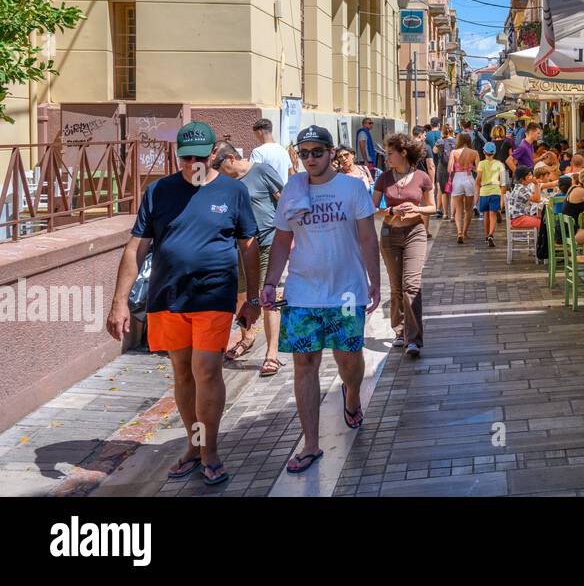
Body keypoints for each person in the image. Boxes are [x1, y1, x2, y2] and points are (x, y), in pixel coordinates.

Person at [106, 122, 259, 487]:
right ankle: (194, 445)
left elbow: (248, 245)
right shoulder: (158, 191)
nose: (193, 164)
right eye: (186, 157)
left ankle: (209, 451)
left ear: (213, 154)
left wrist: (253, 298)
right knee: (182, 373)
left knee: (206, 370)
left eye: (199, 157)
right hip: (168, 297)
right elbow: (136, 247)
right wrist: (119, 303)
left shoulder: (233, 191)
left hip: (213, 295)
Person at [263, 125, 381, 474]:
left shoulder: (351, 188)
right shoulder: (292, 191)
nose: (311, 159)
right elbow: (282, 241)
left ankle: (352, 394)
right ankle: (311, 443)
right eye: (304, 153)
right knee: (305, 366)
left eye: (317, 151)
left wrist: (374, 281)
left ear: (332, 153)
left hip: (346, 291)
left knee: (348, 359)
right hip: (303, 293)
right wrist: (271, 282)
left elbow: (367, 239)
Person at [212, 141, 286, 377]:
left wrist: (290, 234)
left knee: (267, 295)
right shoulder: (223, 183)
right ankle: (247, 337)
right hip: (239, 244)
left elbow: (283, 199)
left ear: (232, 158)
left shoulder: (261, 171)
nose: (215, 170)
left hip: (266, 241)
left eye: (218, 165)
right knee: (241, 293)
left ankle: (272, 353)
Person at [372, 133, 435, 355]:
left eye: (390, 154)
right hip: (390, 235)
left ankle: (414, 340)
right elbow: (373, 208)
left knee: (412, 285)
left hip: (415, 232)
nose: (387, 158)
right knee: (397, 286)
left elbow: (432, 207)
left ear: (403, 152)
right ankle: (399, 330)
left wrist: (416, 208)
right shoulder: (383, 178)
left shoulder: (422, 177)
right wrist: (390, 210)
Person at [448, 132, 479, 244]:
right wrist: (470, 167)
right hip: (469, 178)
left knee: (458, 209)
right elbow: (478, 169)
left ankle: (459, 232)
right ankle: (465, 232)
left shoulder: (454, 152)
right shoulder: (474, 152)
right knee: (468, 208)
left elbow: (449, 169)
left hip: (457, 178)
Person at [476, 141, 506, 247]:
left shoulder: (481, 164)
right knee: (493, 215)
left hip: (484, 191)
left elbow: (478, 179)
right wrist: (502, 198)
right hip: (495, 191)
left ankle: (486, 236)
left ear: (484, 152)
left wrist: (479, 186)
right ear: (494, 153)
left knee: (486, 216)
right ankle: (491, 235)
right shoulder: (499, 164)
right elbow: (503, 182)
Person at [251, 117, 292, 185]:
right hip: (285, 192)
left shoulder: (258, 152)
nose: (256, 138)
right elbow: (291, 173)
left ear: (259, 132)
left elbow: (254, 175)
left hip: (267, 194)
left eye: (255, 135)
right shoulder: (283, 150)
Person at [507, 165, 543, 230]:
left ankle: (541, 239)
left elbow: (535, 197)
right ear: (522, 178)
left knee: (543, 219)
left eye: (531, 174)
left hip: (520, 216)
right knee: (542, 223)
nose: (531, 177)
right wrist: (536, 184)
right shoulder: (521, 189)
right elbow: (537, 199)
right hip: (517, 219)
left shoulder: (522, 187)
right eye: (529, 175)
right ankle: (543, 240)